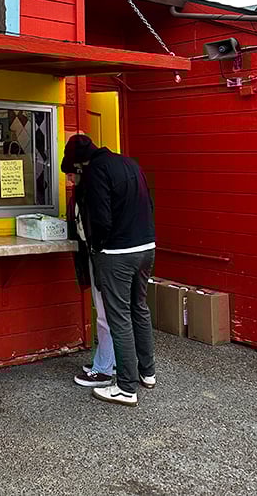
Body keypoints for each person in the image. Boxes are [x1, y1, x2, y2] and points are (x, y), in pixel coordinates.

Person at [63, 134, 156, 408]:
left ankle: (126, 387)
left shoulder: (95, 172)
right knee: (139, 309)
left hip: (117, 253)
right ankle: (147, 373)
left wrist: (97, 247)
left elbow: (101, 219)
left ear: (79, 163)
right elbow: (149, 204)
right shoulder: (129, 163)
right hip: (146, 247)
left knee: (118, 317)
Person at [62, 164, 115, 388]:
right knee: (109, 312)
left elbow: (98, 225)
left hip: (103, 257)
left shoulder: (91, 194)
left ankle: (104, 369)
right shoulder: (91, 191)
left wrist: (97, 248)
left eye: (70, 175)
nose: (69, 180)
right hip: (106, 256)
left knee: (105, 313)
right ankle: (108, 360)